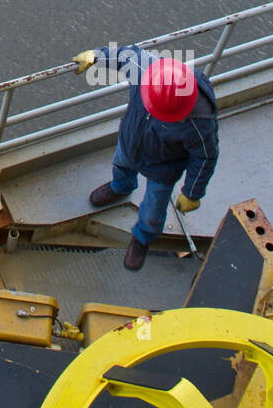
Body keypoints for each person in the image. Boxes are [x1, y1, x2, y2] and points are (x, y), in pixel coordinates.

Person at [74, 43, 219, 271]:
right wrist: (96, 55)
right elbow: (125, 54)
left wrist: (192, 193)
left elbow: (206, 157)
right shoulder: (145, 69)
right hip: (130, 144)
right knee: (120, 165)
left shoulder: (200, 121)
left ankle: (142, 238)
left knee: (153, 211)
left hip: (163, 168)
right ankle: (121, 187)